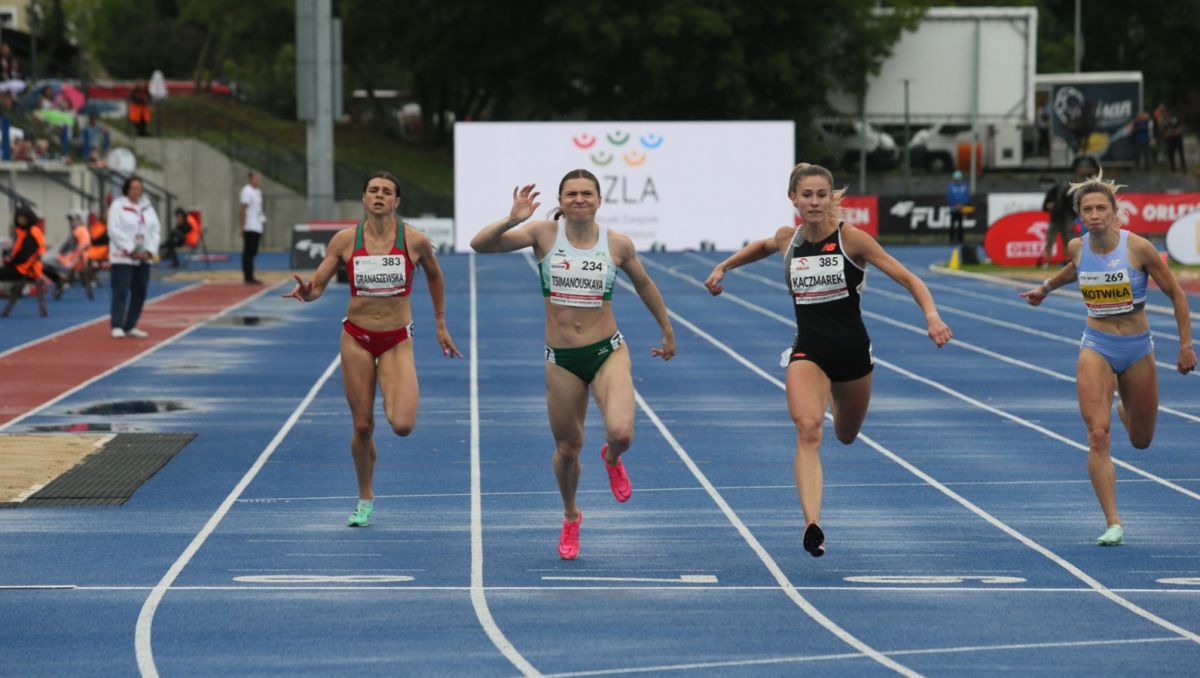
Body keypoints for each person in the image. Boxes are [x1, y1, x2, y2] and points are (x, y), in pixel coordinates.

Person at [703, 163, 952, 558]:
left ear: (832, 197)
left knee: (846, 435)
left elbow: (909, 279)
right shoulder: (789, 239)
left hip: (853, 354)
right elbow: (762, 246)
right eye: (807, 195)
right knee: (808, 430)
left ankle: (837, 397)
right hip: (809, 351)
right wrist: (723, 266)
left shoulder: (852, 240)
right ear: (794, 199)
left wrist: (932, 315)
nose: (814, 202)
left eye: (822, 194)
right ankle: (812, 523)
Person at [470, 169, 676, 560]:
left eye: (586, 193)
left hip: (607, 351)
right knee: (567, 449)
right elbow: (480, 245)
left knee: (622, 433)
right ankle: (570, 516)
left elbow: (645, 284)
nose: (579, 199)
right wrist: (513, 219)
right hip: (562, 359)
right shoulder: (543, 235)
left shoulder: (617, 245)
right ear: (561, 202)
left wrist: (667, 330)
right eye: (571, 194)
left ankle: (611, 458)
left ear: (599, 200)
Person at [1020, 172, 1195, 546]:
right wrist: (1046, 289)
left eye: (1102, 208)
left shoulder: (1139, 249)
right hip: (1096, 345)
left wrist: (1185, 345)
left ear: (1117, 214)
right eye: (1088, 209)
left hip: (1137, 350)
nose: (1095, 214)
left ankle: (1124, 409)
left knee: (1141, 440)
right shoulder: (1077, 247)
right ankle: (1113, 521)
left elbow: (1178, 296)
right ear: (1080, 215)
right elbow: (1076, 269)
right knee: (1097, 435)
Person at [284, 171, 462, 527]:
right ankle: (365, 496)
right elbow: (319, 282)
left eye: (387, 192)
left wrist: (440, 323)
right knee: (363, 426)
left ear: (396, 201)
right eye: (373, 190)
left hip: (396, 340)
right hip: (357, 339)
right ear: (364, 198)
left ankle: (390, 388)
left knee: (402, 424)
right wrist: (308, 292)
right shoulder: (345, 241)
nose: (379, 196)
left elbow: (435, 275)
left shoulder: (414, 240)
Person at [107, 175, 160, 338]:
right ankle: (117, 324)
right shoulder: (118, 206)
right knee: (121, 290)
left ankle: (131, 324)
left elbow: (155, 230)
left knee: (140, 291)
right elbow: (114, 230)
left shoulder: (148, 207)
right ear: (126, 189)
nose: (137, 191)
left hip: (144, 257)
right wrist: (131, 250)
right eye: (133, 188)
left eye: (139, 188)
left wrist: (149, 251)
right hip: (123, 257)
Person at [1040, 157, 1095, 268]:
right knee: (1050, 240)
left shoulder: (1071, 190)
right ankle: (1046, 262)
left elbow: (1074, 204)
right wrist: (1050, 206)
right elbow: (1045, 206)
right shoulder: (1054, 192)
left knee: (1069, 241)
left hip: (1067, 216)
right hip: (1055, 217)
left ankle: (1069, 262)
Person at [239, 170, 265, 284]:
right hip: (250, 225)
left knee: (253, 251)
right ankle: (248, 276)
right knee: (248, 252)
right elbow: (243, 209)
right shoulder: (246, 191)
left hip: (257, 225)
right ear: (251, 178)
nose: (258, 180)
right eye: (256, 177)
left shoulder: (258, 191)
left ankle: (250, 275)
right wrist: (243, 225)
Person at [946, 169, 969, 244]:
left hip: (961, 208)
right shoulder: (950, 186)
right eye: (956, 179)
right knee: (952, 223)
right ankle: (951, 239)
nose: (957, 180)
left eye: (959, 179)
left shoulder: (964, 185)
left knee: (961, 224)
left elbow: (966, 196)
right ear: (954, 179)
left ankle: (960, 240)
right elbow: (950, 196)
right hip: (953, 208)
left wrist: (961, 204)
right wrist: (955, 204)